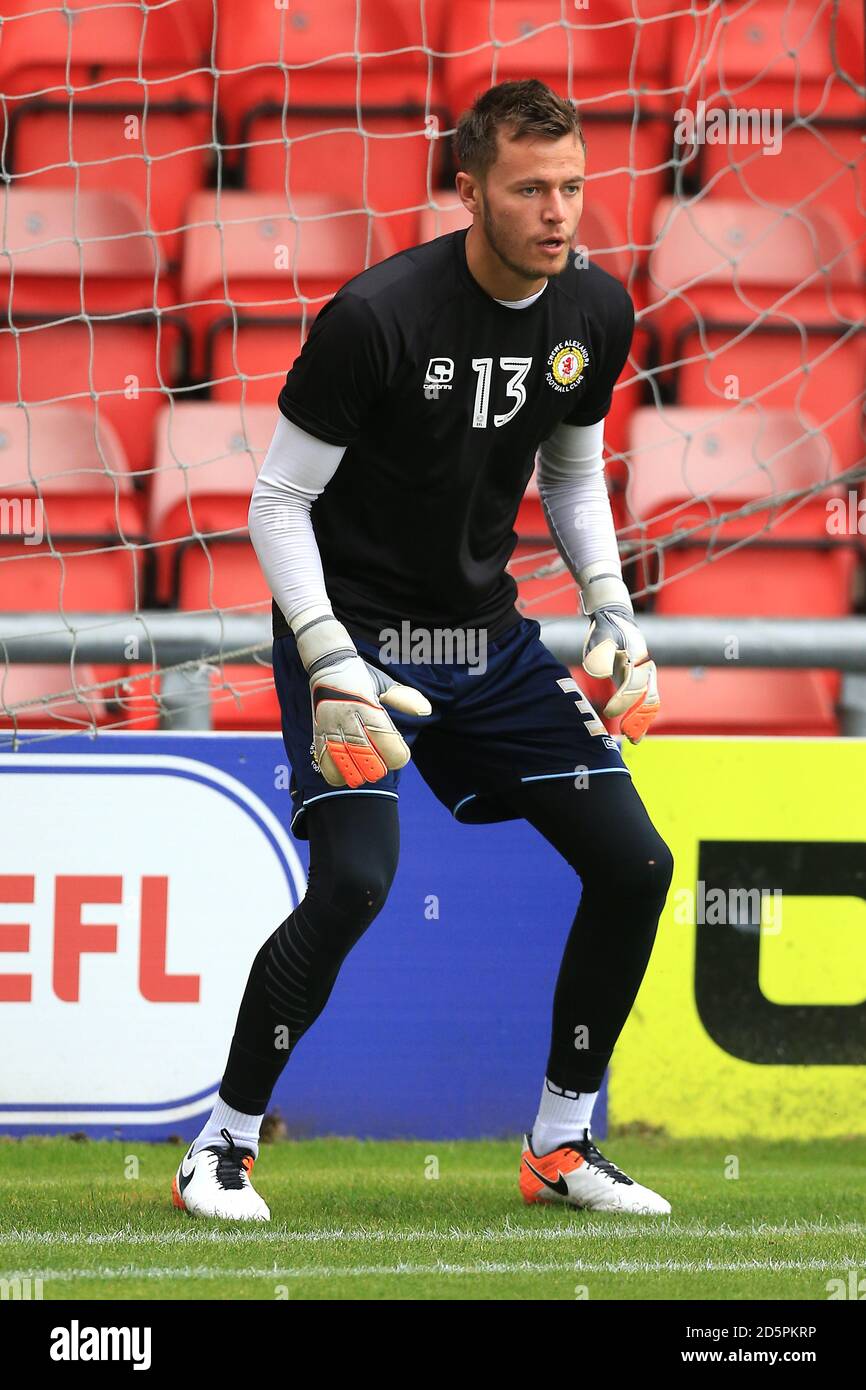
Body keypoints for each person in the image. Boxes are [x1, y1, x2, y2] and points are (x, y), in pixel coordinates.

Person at [172, 78, 674, 1222]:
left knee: (636, 863)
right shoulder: (377, 317)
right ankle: (221, 1147)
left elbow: (570, 466)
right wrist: (327, 655)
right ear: (467, 192)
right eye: (529, 188)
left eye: (572, 187)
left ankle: (559, 1143)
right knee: (355, 881)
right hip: (353, 640)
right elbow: (275, 501)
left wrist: (609, 603)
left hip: (487, 640)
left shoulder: (592, 309)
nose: (557, 211)